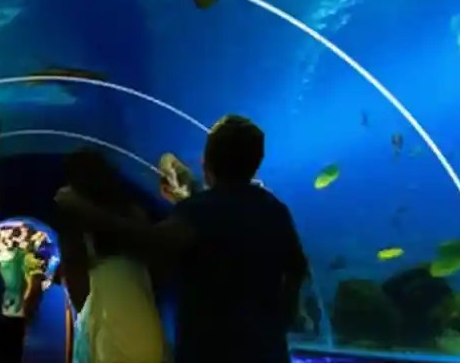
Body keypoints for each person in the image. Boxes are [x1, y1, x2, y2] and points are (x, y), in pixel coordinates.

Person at [55, 115, 308, 363]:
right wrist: (281, 318)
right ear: (256, 161)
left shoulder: (200, 211)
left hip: (212, 349)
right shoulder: (273, 209)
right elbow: (297, 267)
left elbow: (151, 243)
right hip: (267, 350)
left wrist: (81, 208)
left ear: (206, 160)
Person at [56, 147, 165, 363]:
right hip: (145, 320)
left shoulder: (76, 217)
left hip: (106, 319)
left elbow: (75, 275)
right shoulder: (135, 214)